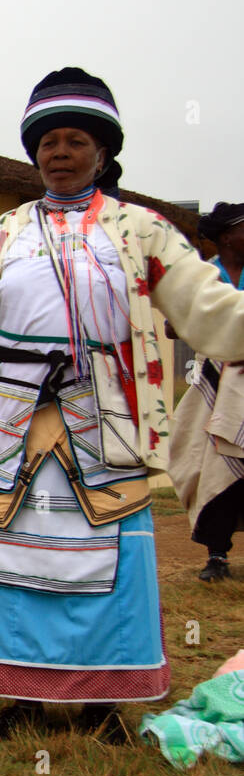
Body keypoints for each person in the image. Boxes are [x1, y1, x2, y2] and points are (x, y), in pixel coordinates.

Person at [0, 68, 244, 743]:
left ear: (103, 152)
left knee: (101, 562)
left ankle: (101, 705)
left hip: (103, 416)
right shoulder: (5, 232)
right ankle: (24, 698)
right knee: (19, 560)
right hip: (15, 418)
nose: (60, 152)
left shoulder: (142, 231)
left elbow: (206, 307)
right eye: (47, 141)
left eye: (75, 140)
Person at [169, 201, 244, 582]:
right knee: (214, 464)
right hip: (212, 380)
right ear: (226, 237)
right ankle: (217, 555)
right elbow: (171, 326)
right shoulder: (203, 277)